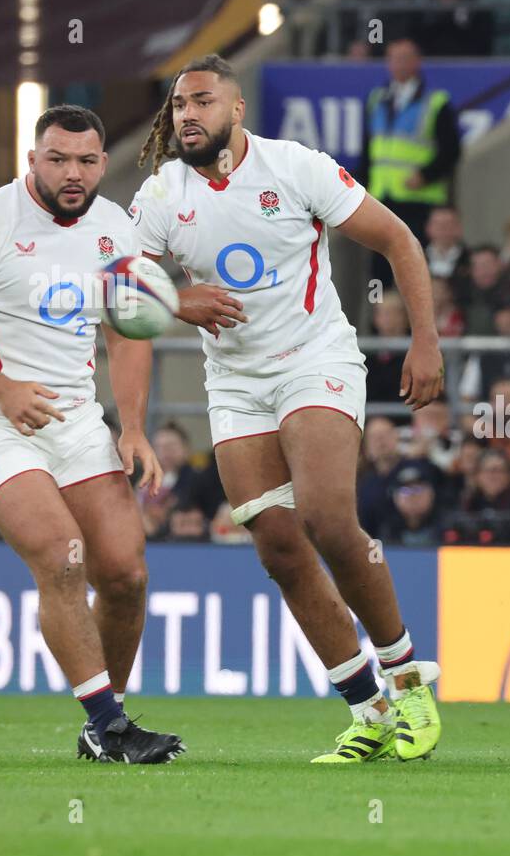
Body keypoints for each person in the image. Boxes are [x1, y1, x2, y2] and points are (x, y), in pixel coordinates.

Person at [132, 54, 445, 763]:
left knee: (328, 517)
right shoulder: (159, 197)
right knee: (277, 547)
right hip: (236, 385)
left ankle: (407, 678)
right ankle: (368, 711)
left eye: (204, 101)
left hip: (316, 361)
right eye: (180, 104)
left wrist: (425, 340)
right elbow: (120, 292)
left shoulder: (295, 167)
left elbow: (397, 237)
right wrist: (177, 301)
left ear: (236, 111)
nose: (188, 114)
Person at [0, 104, 181, 764]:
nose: (74, 172)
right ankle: (112, 726)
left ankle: (104, 727)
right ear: (32, 158)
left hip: (74, 420)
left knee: (125, 573)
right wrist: (2, 390)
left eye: (87, 161)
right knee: (63, 557)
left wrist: (135, 429)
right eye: (58, 159)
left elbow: (128, 329)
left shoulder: (114, 227)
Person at [358, 38, 461, 268]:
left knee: (415, 262)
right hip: (381, 198)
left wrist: (425, 175)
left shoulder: (436, 101)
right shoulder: (376, 99)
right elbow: (368, 149)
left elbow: (451, 150)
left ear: (417, 62)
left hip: (419, 199)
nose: (398, 64)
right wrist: (363, 185)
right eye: (393, 58)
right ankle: (382, 304)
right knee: (381, 264)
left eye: (405, 58)